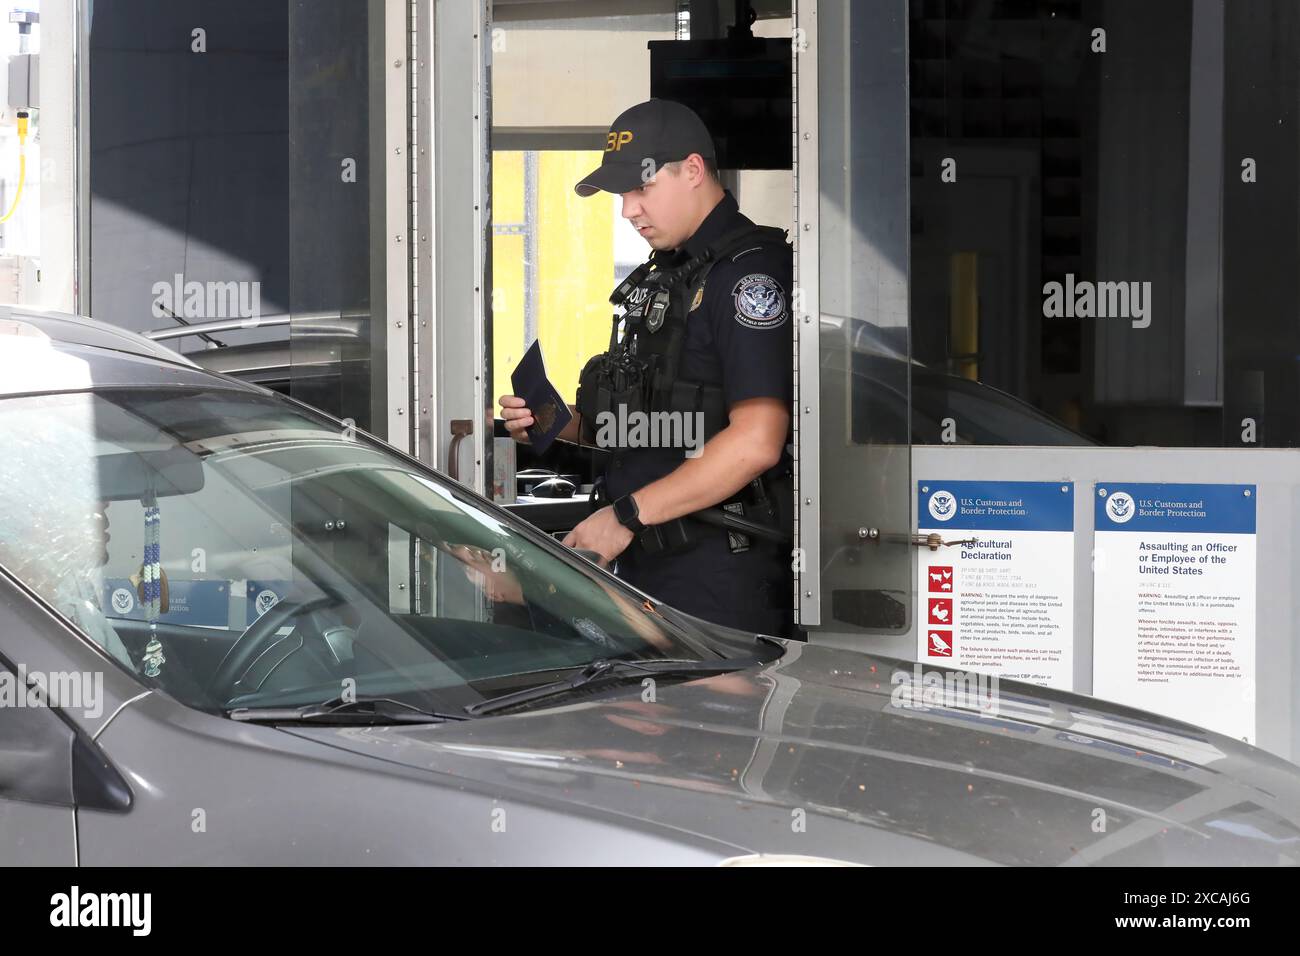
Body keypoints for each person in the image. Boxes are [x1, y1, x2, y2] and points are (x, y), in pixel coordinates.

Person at [499, 98, 794, 637]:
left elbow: (756, 442)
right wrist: (557, 421)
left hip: (716, 573)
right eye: (623, 195)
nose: (628, 210)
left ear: (694, 170)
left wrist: (625, 516)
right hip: (650, 566)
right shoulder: (672, 276)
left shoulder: (746, 278)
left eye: (641, 189)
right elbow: (664, 422)